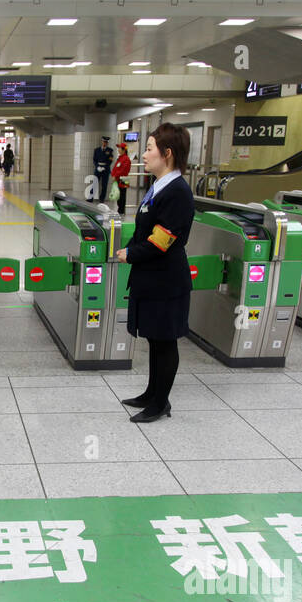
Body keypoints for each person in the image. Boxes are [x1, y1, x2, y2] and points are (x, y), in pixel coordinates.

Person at [114, 123, 194, 424]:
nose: (144, 155)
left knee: (165, 340)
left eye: (149, 149)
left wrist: (131, 253)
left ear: (168, 153)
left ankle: (161, 403)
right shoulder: (159, 185)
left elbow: (164, 239)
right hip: (151, 277)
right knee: (154, 338)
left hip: (166, 281)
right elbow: (147, 228)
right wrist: (132, 248)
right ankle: (151, 393)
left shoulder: (177, 192)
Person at [110, 142, 132, 215]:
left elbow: (123, 170)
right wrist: (113, 174)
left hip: (123, 180)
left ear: (124, 150)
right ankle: (120, 210)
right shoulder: (120, 158)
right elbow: (115, 168)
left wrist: (115, 175)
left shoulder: (126, 159)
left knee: (122, 196)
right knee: (118, 196)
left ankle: (121, 211)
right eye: (118, 148)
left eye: (119, 148)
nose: (118, 149)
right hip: (117, 180)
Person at [92, 136, 113, 202]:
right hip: (98, 168)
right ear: (102, 142)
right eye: (104, 142)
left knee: (104, 185)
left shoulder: (110, 150)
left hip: (105, 169)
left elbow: (110, 160)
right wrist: (97, 166)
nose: (105, 143)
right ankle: (90, 198)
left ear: (107, 143)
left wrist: (104, 167)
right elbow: (94, 159)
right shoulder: (97, 150)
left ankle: (102, 199)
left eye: (106, 142)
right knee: (94, 183)